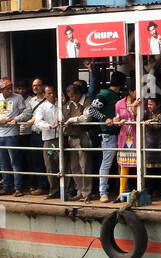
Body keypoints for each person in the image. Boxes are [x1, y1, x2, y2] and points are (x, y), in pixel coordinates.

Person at [88, 70, 127, 202]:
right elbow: (92, 110)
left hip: (120, 133)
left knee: (122, 163)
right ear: (122, 83)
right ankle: (103, 192)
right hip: (108, 133)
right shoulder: (104, 94)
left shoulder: (117, 95)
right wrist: (105, 119)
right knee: (107, 163)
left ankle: (121, 191)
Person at [0, 77, 25, 195]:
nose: (10, 90)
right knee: (3, 163)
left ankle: (18, 188)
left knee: (15, 162)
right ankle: (6, 187)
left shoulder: (18, 98)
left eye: (11, 88)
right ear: (1, 90)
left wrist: (10, 119)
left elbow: (22, 115)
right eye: (7, 89)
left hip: (12, 134)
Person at [61, 82, 92, 200]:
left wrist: (72, 119)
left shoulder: (88, 101)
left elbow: (87, 117)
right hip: (71, 136)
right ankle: (80, 191)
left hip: (83, 136)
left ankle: (87, 192)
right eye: (69, 97)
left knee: (85, 166)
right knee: (74, 167)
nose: (71, 99)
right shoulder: (70, 103)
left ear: (79, 94)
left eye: (73, 96)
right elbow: (64, 116)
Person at [32, 84, 62, 195]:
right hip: (48, 139)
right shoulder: (42, 107)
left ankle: (66, 190)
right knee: (50, 166)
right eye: (49, 93)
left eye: (53, 92)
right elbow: (38, 122)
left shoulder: (61, 103)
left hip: (61, 138)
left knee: (64, 164)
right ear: (44, 94)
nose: (52, 95)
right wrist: (49, 126)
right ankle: (53, 191)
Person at [115, 89, 143, 197]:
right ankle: (121, 193)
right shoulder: (119, 104)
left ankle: (139, 191)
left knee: (138, 165)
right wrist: (117, 121)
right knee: (124, 166)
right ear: (130, 91)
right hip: (124, 138)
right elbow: (117, 118)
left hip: (136, 137)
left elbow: (139, 118)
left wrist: (134, 108)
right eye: (136, 90)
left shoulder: (140, 102)